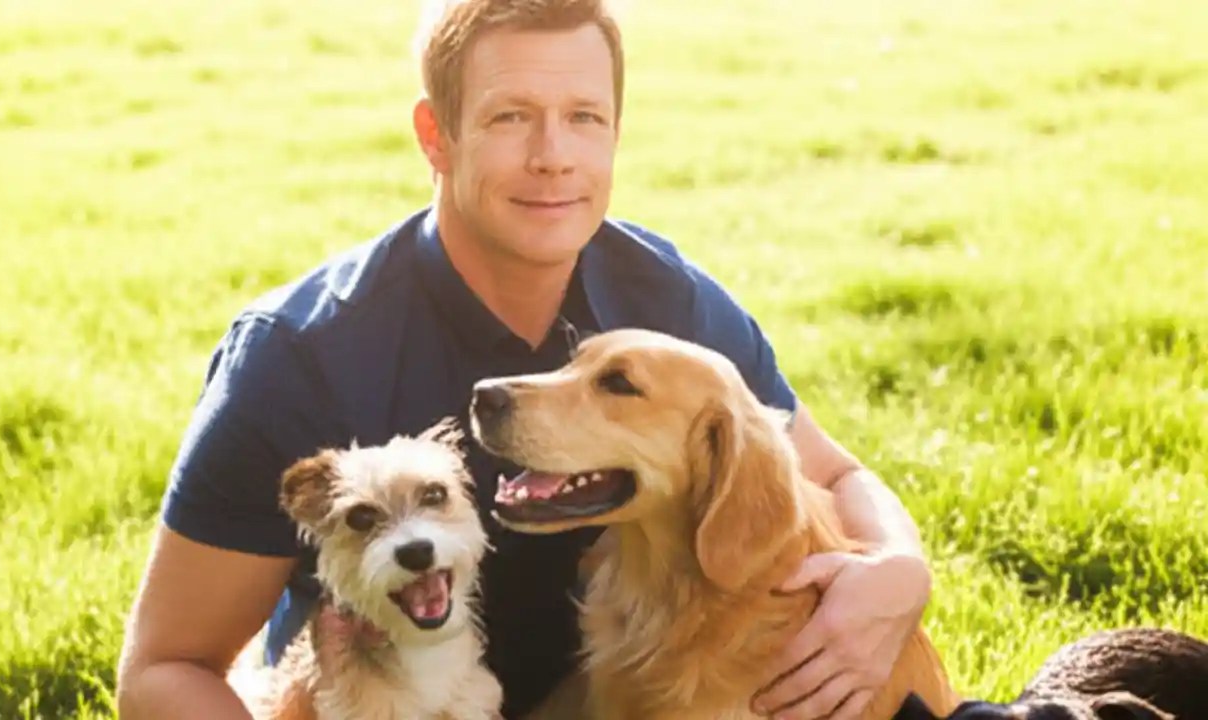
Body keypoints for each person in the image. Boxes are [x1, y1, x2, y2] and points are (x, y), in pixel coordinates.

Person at [114, 1, 934, 719]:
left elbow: (833, 476)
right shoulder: (300, 354)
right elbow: (165, 669)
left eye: (585, 117)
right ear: (437, 135)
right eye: (512, 117)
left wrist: (900, 571)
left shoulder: (669, 305)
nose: (554, 156)